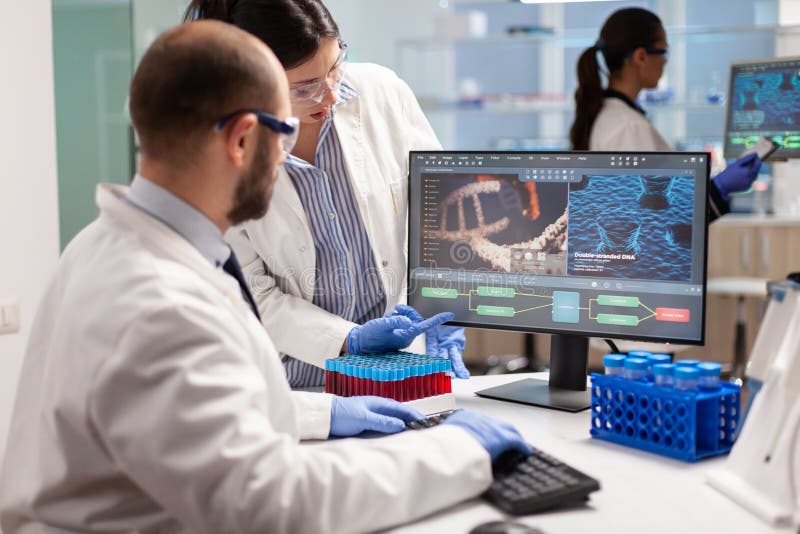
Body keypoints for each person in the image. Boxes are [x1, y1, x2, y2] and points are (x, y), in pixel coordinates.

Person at [0, 21, 531, 533]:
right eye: (287, 130)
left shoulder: (102, 246)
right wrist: (458, 449)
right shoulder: (159, 302)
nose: (293, 157)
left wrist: (321, 412)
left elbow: (188, 419)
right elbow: (273, 506)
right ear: (242, 139)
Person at [184, 0, 470, 388]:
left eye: (335, 67)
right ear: (253, 83)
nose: (331, 97)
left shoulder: (382, 93)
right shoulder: (226, 154)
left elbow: (441, 212)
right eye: (305, 88)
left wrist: (444, 304)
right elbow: (251, 292)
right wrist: (347, 340)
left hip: (398, 370)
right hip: (296, 384)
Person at [569, 7, 762, 223]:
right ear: (640, 57)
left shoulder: (611, 114)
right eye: (663, 52)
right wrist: (719, 187)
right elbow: (656, 217)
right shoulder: (628, 126)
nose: (666, 61)